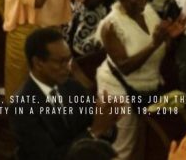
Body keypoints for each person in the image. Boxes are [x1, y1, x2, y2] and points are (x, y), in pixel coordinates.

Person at [96, 0, 186, 159]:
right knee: (124, 147)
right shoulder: (110, 25)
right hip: (119, 88)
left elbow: (160, 50)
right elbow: (125, 67)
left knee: (143, 143)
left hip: (148, 85)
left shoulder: (148, 11)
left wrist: (169, 38)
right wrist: (155, 43)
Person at [11, 27, 118, 160]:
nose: (68, 67)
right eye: (60, 62)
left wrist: (108, 120)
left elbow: (102, 129)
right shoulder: (22, 106)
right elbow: (49, 157)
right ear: (38, 63)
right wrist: (94, 132)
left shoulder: (72, 87)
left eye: (68, 60)